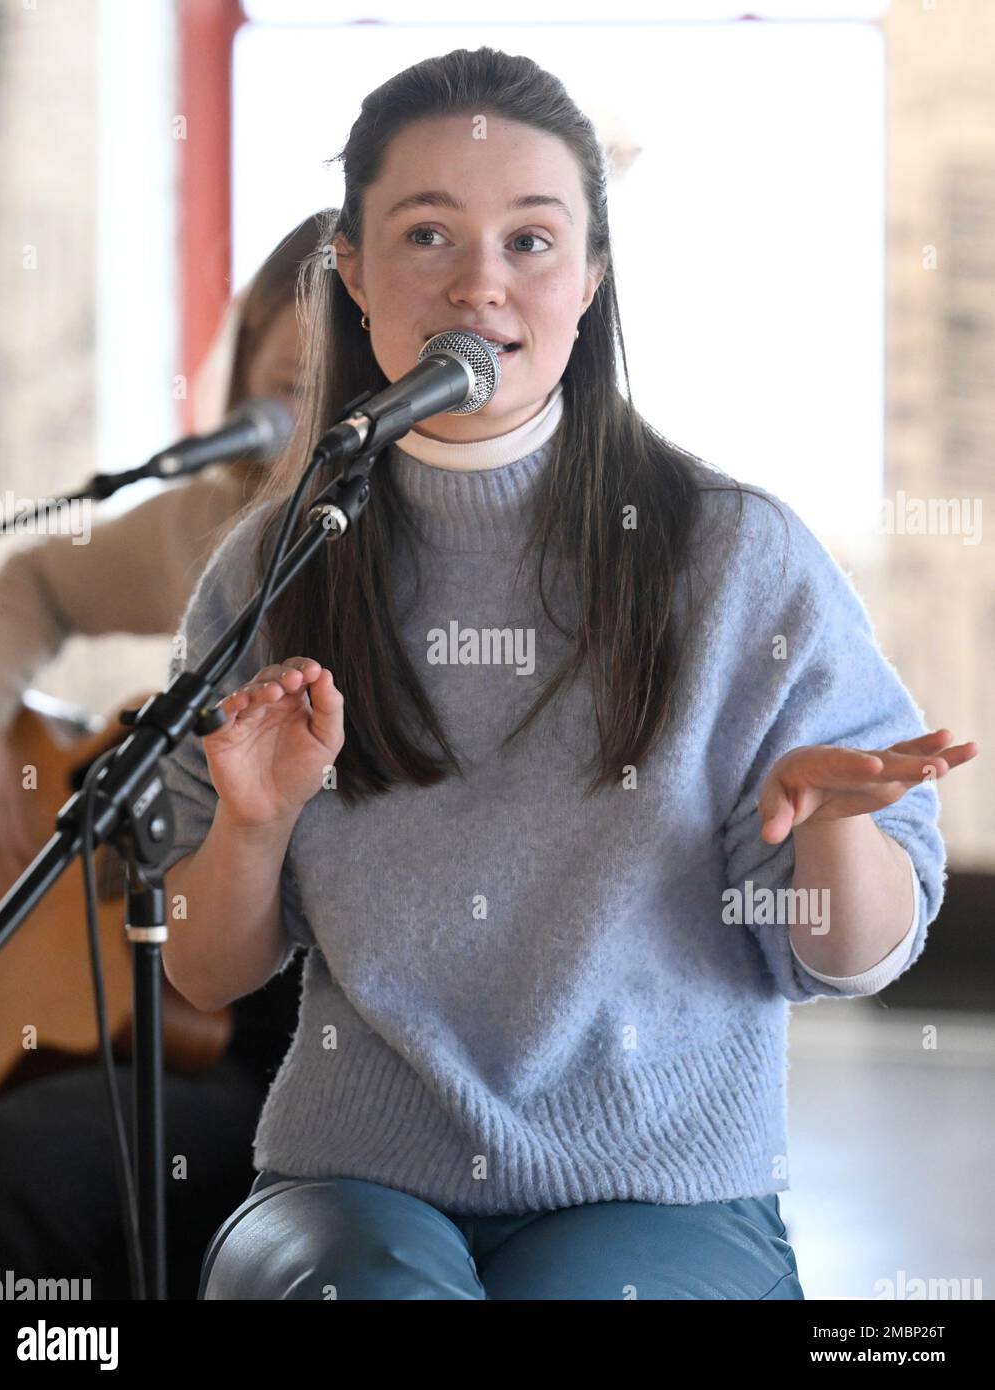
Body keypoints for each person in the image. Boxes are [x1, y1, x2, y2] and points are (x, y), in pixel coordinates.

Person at [159, 47, 978, 1301]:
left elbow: (844, 956)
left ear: (590, 280)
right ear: (351, 271)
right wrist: (254, 826)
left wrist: (833, 838)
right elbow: (206, 972)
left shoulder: (732, 553)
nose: (479, 282)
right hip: (352, 1180)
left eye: (530, 241)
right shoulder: (274, 567)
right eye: (426, 233)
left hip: (665, 1188)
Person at [0, 213, 331, 1300]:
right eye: (282, 313)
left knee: (5, 1174)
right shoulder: (203, 518)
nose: (298, 349)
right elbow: (32, 583)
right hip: (136, 992)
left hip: (280, 1031)